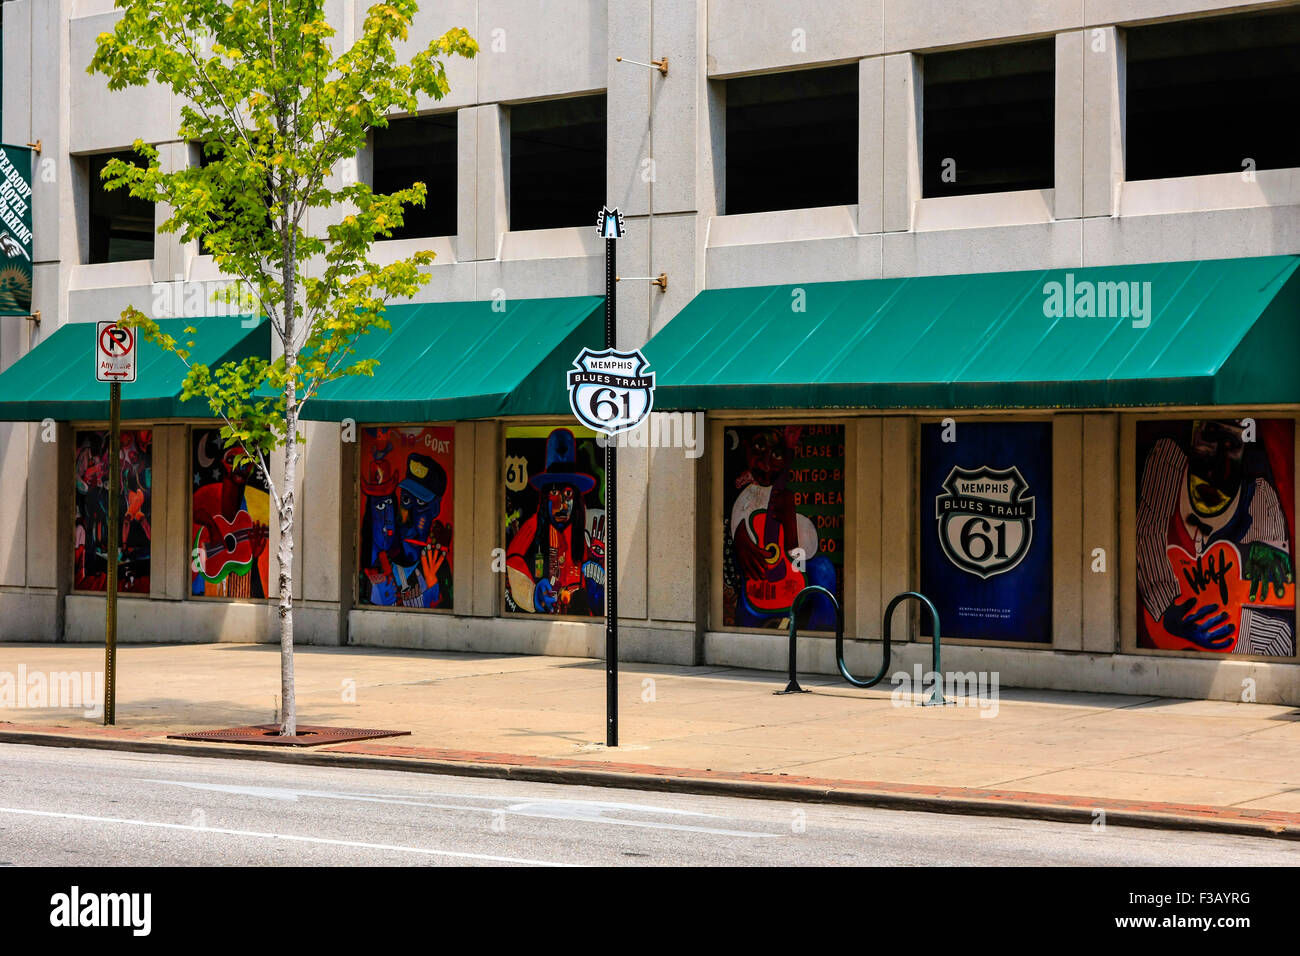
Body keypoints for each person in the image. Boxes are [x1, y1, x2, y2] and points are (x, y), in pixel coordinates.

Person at [1137, 419, 1294, 655]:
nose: (1216, 461)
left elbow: (1275, 590)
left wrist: (1232, 639)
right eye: (1209, 438)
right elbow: (1147, 536)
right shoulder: (1167, 464)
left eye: (1231, 444)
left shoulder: (1260, 497)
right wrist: (1167, 610)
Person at [506, 428, 604, 615]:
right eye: (554, 493)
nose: (562, 504)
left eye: (568, 494)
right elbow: (513, 558)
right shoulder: (534, 524)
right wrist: (533, 593)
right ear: (545, 497)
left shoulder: (577, 531)